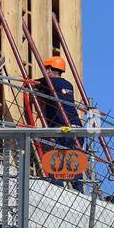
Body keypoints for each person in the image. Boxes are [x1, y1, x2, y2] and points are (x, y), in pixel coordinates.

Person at [38, 56, 84, 192]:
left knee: (52, 152)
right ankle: (78, 192)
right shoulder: (68, 84)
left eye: (45, 69)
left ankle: (56, 189)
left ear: (50, 70)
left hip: (61, 129)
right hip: (76, 127)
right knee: (73, 159)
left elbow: (33, 84)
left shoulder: (49, 82)